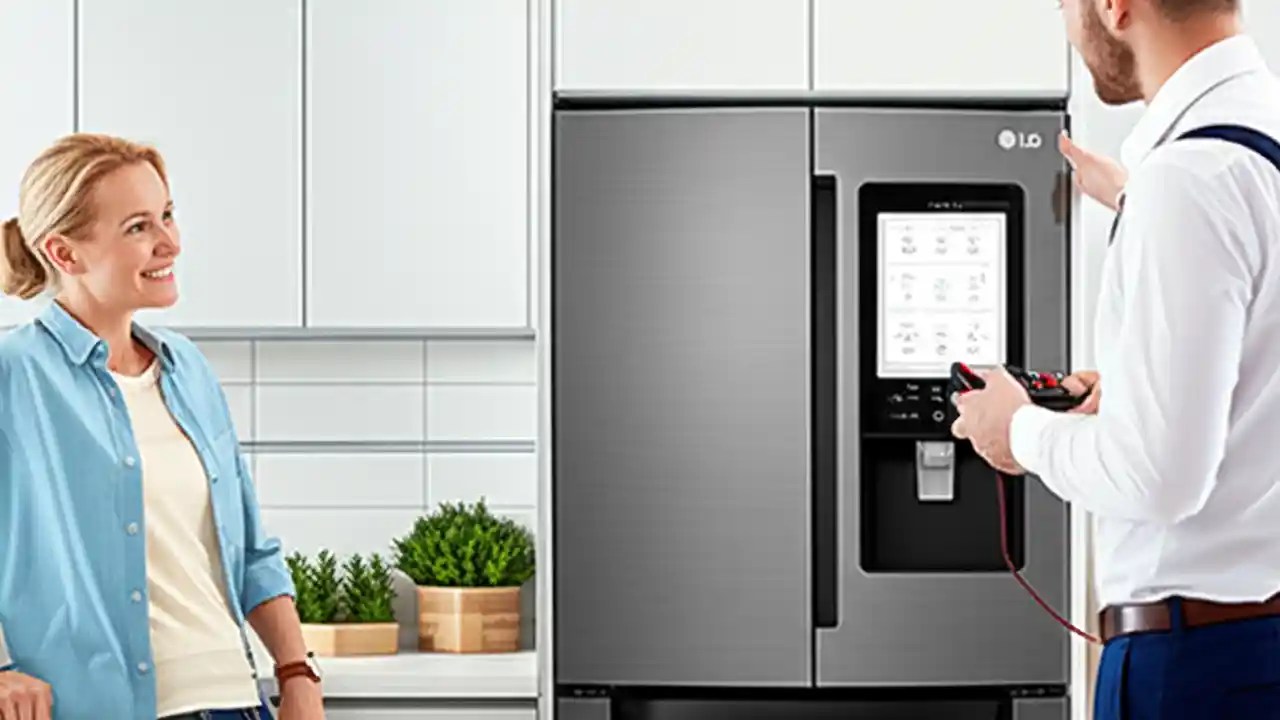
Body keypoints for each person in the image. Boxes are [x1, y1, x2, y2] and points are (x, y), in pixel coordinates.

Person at [951, 0, 1280, 718]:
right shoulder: (1255, 148)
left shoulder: (1188, 180)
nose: (1067, 21)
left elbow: (1159, 478)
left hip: (1196, 668)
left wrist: (1021, 432)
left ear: (1115, 4)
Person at [0, 134, 326, 719]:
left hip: (235, 702)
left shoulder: (186, 369)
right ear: (64, 253)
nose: (169, 242)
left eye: (167, 215)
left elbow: (250, 548)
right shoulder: (13, 376)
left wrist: (297, 673)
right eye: (138, 228)